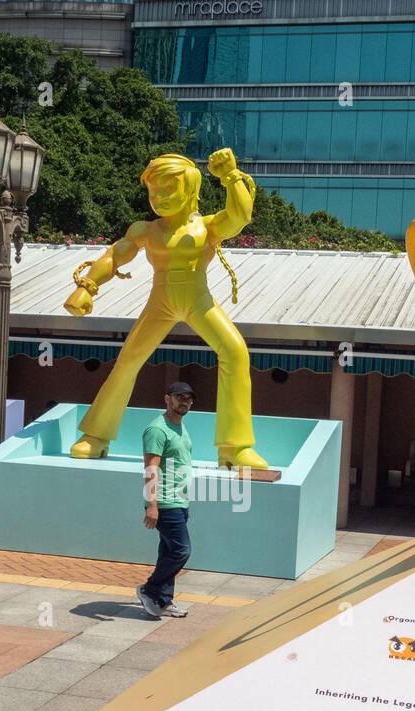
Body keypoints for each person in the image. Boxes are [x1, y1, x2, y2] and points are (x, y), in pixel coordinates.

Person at [63, 150, 267, 470]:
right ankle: (96, 436)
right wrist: (86, 286)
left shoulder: (207, 227)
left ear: (190, 189)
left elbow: (239, 216)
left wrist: (230, 176)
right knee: (128, 360)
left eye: (168, 188)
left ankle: (235, 447)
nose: (158, 197)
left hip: (199, 299)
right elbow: (115, 256)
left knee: (235, 351)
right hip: (161, 301)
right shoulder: (146, 230)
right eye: (153, 191)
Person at [136, 381, 196, 620]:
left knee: (168, 551)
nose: (185, 401)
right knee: (182, 551)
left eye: (189, 398)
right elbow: (151, 467)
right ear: (167, 399)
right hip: (164, 501)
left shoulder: (180, 426)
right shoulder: (157, 430)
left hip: (179, 501)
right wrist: (152, 504)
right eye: (179, 397)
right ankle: (149, 589)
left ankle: (164, 599)